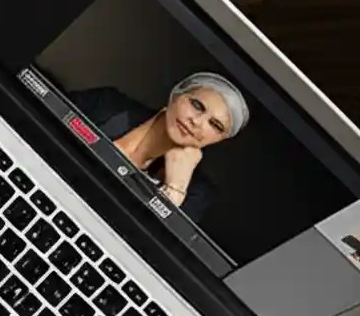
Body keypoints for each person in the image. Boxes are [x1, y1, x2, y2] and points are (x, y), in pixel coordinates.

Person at [69, 72, 251, 223]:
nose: (196, 122)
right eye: (197, 105)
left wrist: (175, 188)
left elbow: (151, 247)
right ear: (177, 95)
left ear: (219, 140)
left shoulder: (197, 193)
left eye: (215, 125)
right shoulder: (107, 105)